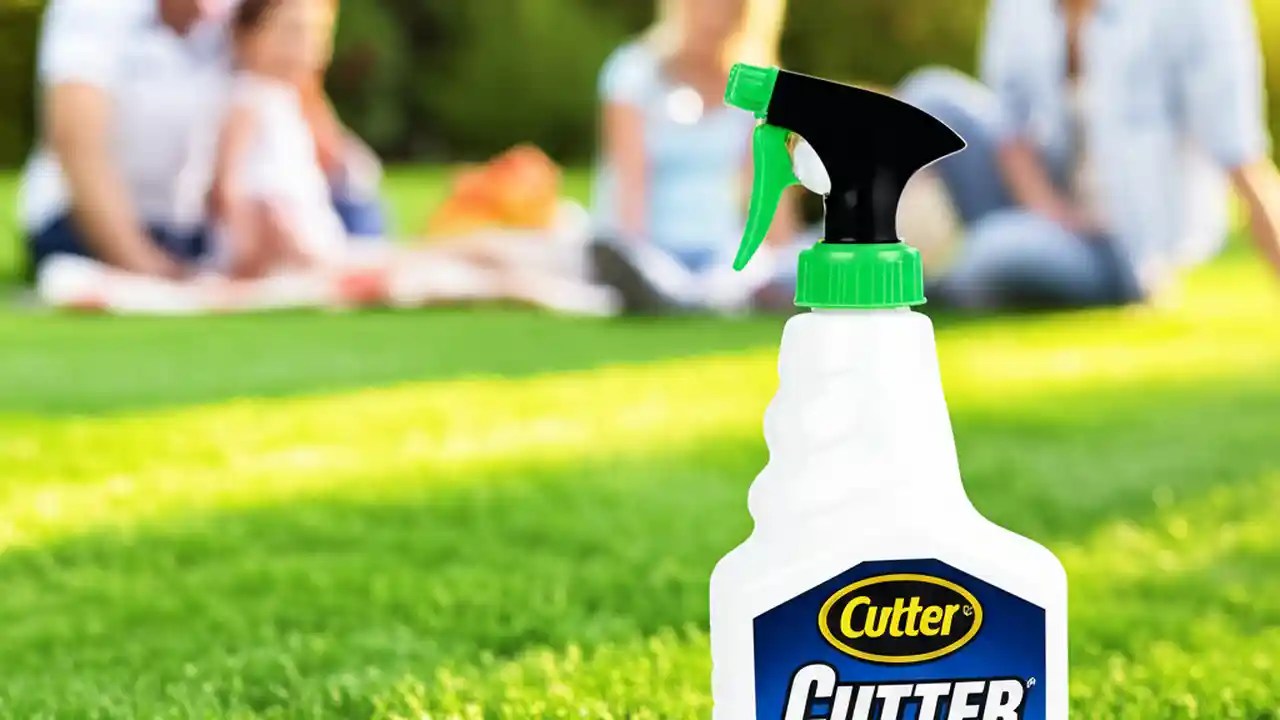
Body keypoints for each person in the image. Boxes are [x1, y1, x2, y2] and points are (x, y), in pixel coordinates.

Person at [898, 0, 1280, 310]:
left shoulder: (1198, 8)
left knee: (996, 250)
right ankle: (871, 252)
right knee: (928, 95)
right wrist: (1049, 209)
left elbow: (1239, 149)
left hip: (1119, 245)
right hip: (1044, 200)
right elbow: (1009, 123)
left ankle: (920, 288)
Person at [19, 0, 386, 280]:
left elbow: (287, 80)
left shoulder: (233, 14)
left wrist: (344, 178)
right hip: (81, 224)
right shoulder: (96, 11)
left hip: (187, 225)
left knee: (349, 207)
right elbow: (76, 142)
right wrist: (142, 265)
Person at [590, 0, 799, 314]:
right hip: (649, 246)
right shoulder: (633, 71)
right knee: (648, 271)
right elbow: (630, 183)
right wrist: (633, 248)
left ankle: (699, 297)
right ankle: (674, 293)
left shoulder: (760, 88)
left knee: (755, 272)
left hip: (718, 251)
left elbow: (766, 192)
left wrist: (783, 260)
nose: (715, 15)